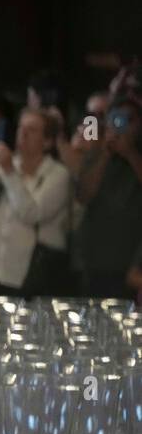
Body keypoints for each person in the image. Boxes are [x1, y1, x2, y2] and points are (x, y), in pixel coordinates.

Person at [0, 106, 72, 296]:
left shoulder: (58, 175)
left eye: (31, 130)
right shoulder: (5, 165)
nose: (22, 133)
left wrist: (8, 172)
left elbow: (32, 214)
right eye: (20, 128)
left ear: (47, 141)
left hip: (32, 275)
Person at [74, 97, 142, 298]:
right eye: (117, 118)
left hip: (128, 261)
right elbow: (84, 195)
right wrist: (105, 152)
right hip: (93, 258)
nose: (122, 124)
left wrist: (130, 153)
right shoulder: (96, 153)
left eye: (129, 120)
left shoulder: (137, 156)